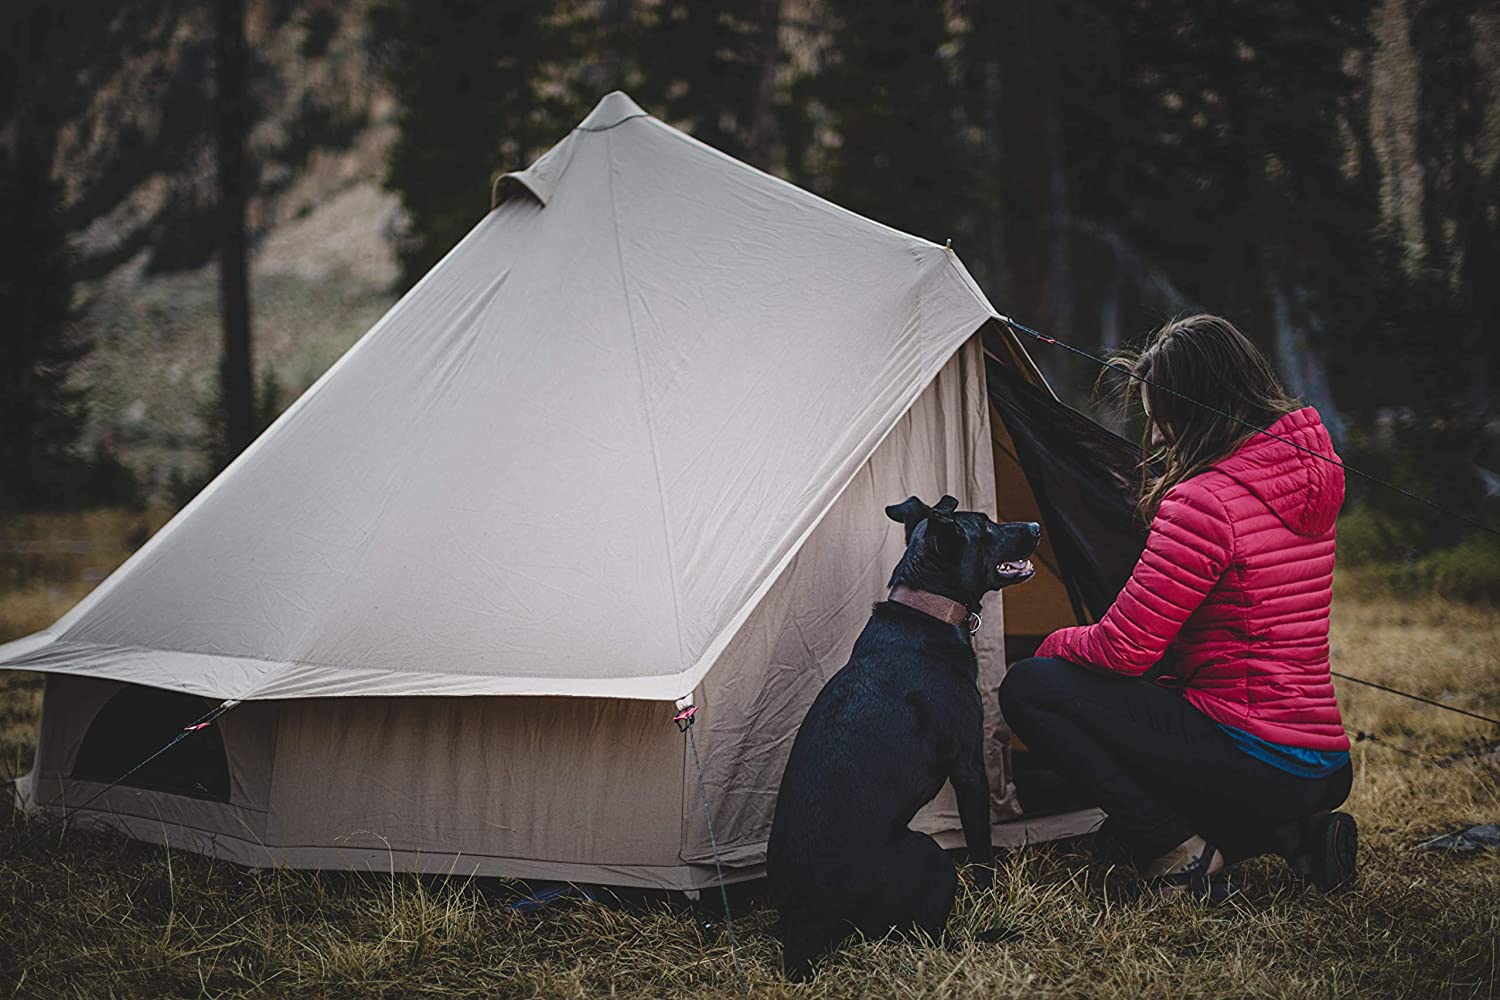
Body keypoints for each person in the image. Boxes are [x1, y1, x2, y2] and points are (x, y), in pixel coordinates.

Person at [999, 314, 1355, 900]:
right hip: (1322, 762)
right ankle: (1298, 836)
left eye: (1157, 414)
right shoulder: (1306, 475)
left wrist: (1052, 647)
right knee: (1113, 842)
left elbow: (1123, 649)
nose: (1155, 434)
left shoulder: (1204, 500)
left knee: (1033, 688)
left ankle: (1180, 852)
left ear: (1191, 405)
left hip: (1254, 753)